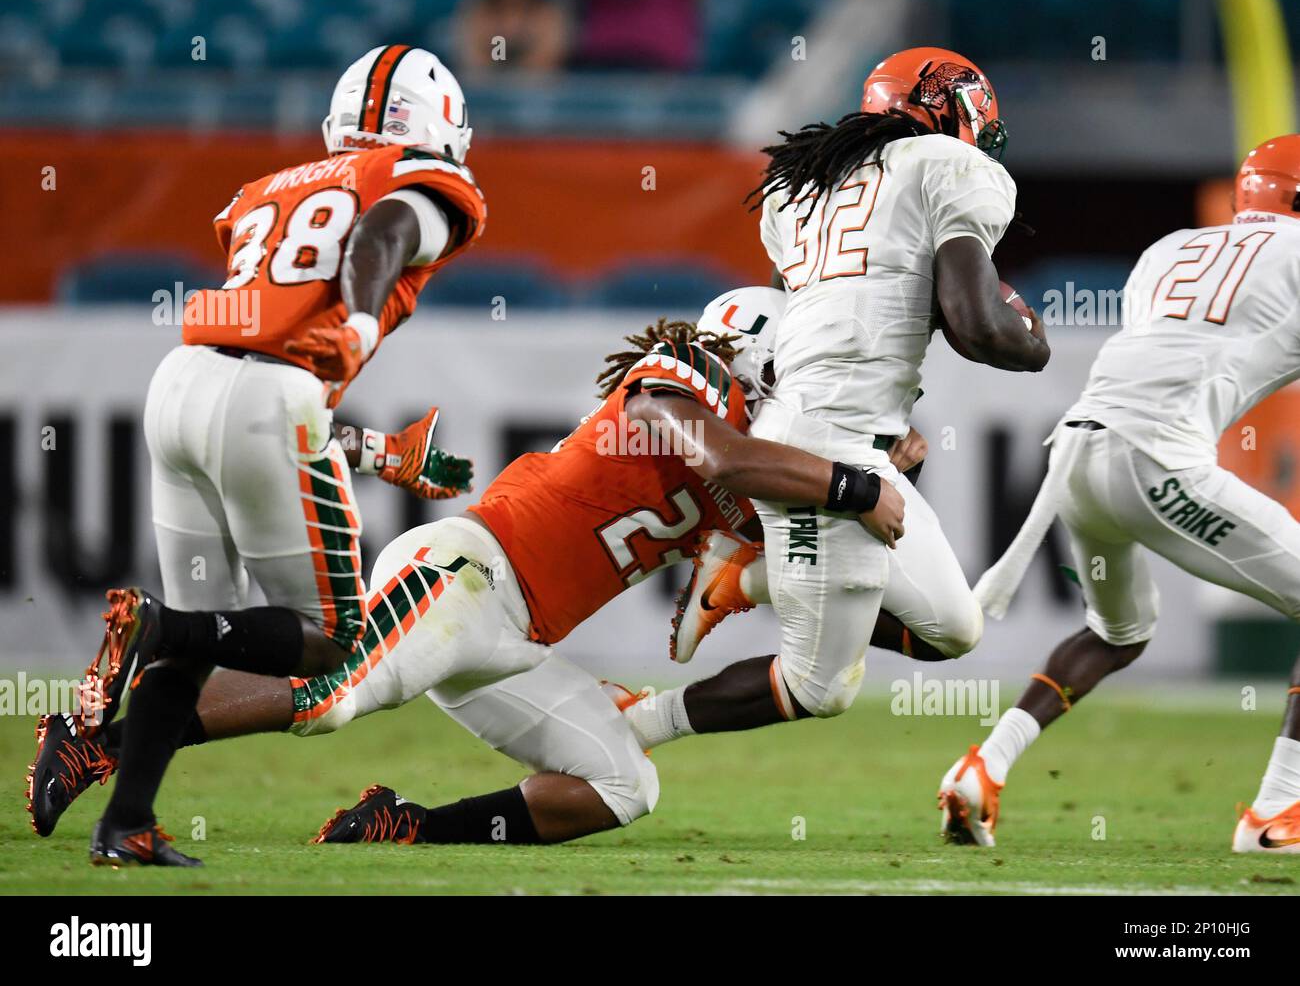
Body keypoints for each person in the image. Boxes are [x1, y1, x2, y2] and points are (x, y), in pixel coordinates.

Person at [29, 291, 907, 857]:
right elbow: (709, 446)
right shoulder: (679, 382)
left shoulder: (752, 484)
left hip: (515, 639)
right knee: (330, 694)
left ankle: (405, 825)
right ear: (752, 353)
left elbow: (831, 586)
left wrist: (894, 486)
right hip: (468, 572)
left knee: (624, 785)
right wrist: (854, 481)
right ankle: (95, 740)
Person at [26, 44, 483, 866]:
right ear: (439, 126)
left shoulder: (269, 189)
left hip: (182, 385)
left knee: (199, 636)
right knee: (333, 640)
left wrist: (376, 449)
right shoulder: (419, 183)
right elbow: (385, 230)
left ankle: (124, 822)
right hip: (271, 397)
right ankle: (155, 626)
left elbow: (260, 357)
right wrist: (363, 320)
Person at [619, 47, 1048, 752]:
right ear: (951, 109)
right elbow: (977, 328)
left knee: (955, 629)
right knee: (819, 687)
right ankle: (632, 725)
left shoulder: (802, 182)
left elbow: (823, 318)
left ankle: (745, 578)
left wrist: (890, 418)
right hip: (824, 447)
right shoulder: (956, 169)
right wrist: (1032, 338)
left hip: (829, 424)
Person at [938, 135, 1300, 853]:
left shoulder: (1170, 248)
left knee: (1118, 632)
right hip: (1156, 457)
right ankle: (1277, 812)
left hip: (1075, 449)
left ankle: (984, 766)